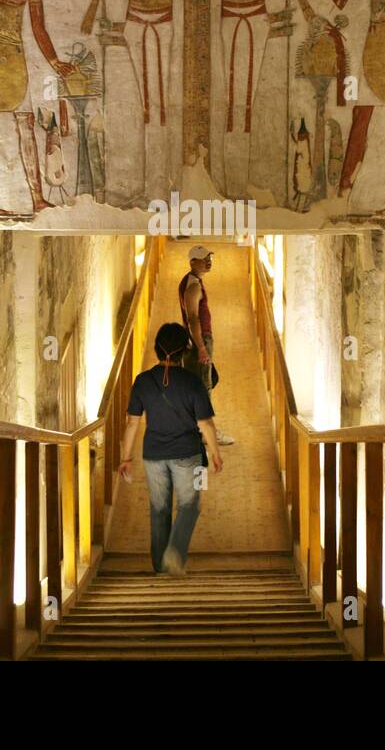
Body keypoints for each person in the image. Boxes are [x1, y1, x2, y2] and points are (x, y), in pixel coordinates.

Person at [119, 323, 223, 576]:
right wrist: (215, 453)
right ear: (184, 351)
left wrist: (126, 458)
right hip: (189, 454)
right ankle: (174, 552)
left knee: (159, 509)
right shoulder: (193, 382)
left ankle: (159, 568)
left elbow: (132, 422)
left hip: (153, 455)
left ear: (156, 348)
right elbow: (205, 424)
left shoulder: (142, 381)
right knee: (190, 505)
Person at [179, 245, 237, 445]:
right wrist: (201, 347)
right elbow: (193, 317)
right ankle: (206, 433)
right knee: (204, 387)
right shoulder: (193, 286)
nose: (208, 261)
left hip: (197, 341)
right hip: (199, 341)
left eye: (209, 257)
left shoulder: (193, 282)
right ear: (192, 262)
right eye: (204, 258)